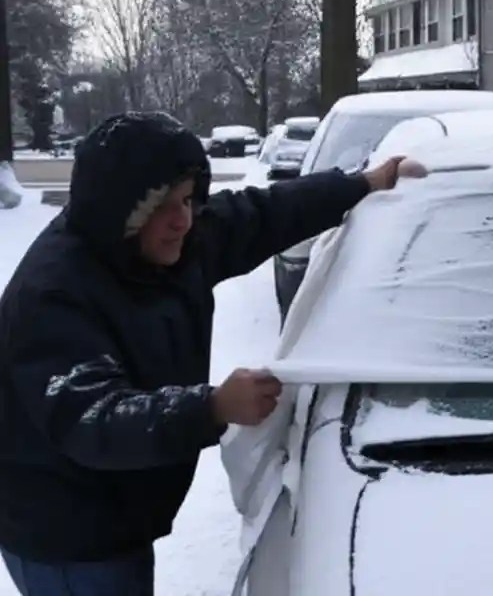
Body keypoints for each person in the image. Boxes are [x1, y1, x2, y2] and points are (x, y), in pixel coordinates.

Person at [0, 112, 420, 595]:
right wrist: (212, 407)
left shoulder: (166, 244)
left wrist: (362, 185)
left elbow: (259, 215)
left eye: (187, 200)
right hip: (65, 533)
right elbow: (96, 420)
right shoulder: (56, 294)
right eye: (162, 207)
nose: (182, 219)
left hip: (115, 512)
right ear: (122, 214)